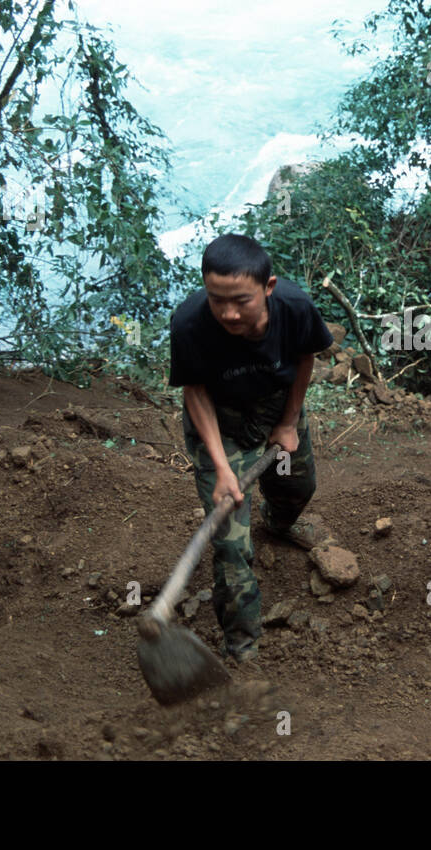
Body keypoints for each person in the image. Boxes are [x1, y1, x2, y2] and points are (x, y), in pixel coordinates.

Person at [167, 234, 334, 661]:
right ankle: (242, 647)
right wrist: (223, 469)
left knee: (297, 486)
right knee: (230, 544)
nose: (227, 312)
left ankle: (278, 523)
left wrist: (288, 422)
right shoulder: (189, 323)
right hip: (219, 421)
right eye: (216, 299)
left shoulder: (295, 309)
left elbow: (305, 359)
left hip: (274, 406)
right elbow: (196, 392)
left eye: (240, 300)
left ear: (268, 287)